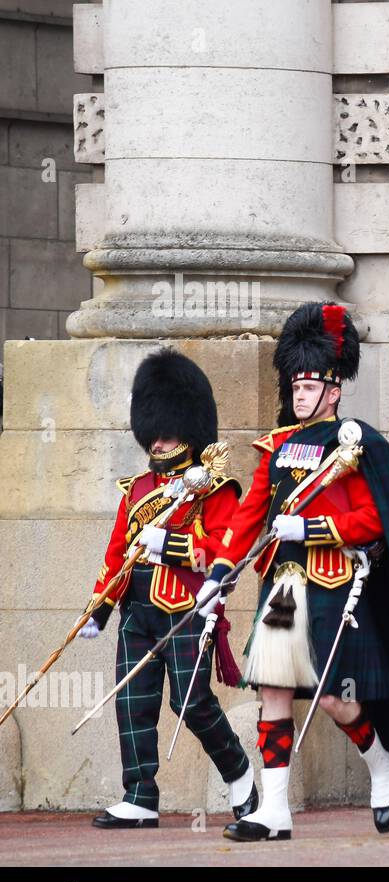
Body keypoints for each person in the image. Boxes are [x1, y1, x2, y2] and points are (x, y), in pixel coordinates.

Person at [195, 302, 389, 841]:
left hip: (334, 582)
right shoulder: (276, 446)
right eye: (295, 386)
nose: (300, 395)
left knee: (333, 695)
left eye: (310, 388)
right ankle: (275, 810)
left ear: (333, 391)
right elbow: (247, 518)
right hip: (283, 585)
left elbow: (376, 518)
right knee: (273, 686)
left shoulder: (356, 444)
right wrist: (220, 573)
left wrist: (310, 530)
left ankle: (381, 763)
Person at [81, 349, 254, 829]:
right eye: (153, 433)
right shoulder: (136, 489)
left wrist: (171, 544)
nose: (159, 443)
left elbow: (224, 551)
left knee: (192, 703)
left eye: (168, 433)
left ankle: (241, 780)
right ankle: (139, 795)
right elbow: (116, 553)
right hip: (137, 611)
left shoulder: (215, 488)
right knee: (132, 702)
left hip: (186, 609)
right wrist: (99, 609)